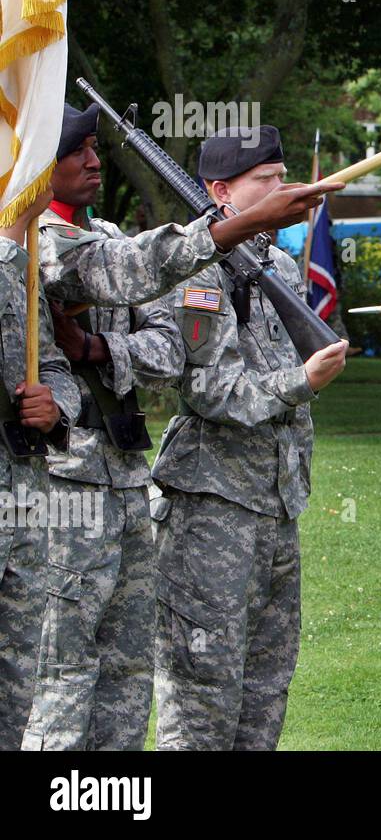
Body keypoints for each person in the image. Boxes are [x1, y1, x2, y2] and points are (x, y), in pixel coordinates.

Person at [149, 126, 349, 750]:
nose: (281, 190)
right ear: (219, 193)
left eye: (281, 176)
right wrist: (301, 382)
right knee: (202, 692)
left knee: (266, 685)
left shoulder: (278, 263)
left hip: (276, 503)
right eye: (264, 181)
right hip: (211, 507)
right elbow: (211, 392)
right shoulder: (196, 275)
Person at [20, 105, 187, 750]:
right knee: (61, 663)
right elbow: (120, 274)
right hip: (65, 483)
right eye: (75, 151)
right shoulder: (37, 244)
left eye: (95, 147)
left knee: (128, 660)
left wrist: (95, 349)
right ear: (37, 165)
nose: (94, 161)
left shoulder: (112, 237)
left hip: (124, 472)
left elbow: (170, 351)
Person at [0, 191, 82, 751]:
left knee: (15, 693)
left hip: (23, 497)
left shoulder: (20, 261)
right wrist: (7, 245)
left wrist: (57, 408)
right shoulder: (11, 255)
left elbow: (48, 356)